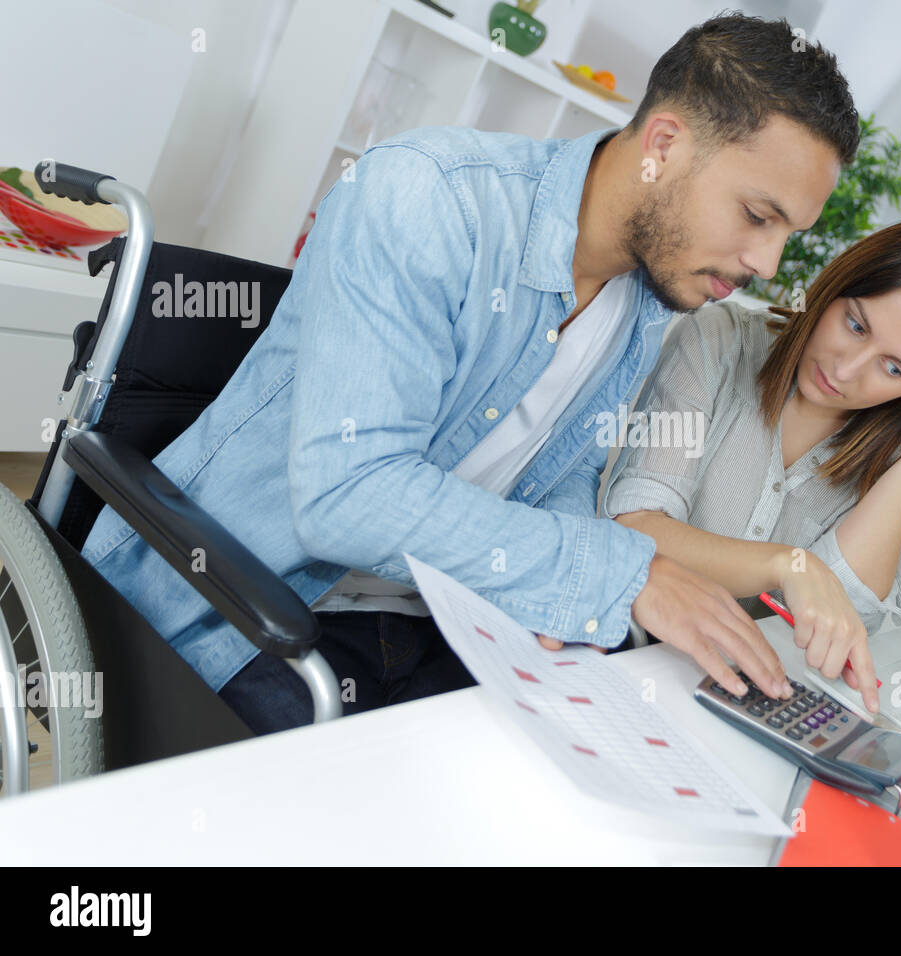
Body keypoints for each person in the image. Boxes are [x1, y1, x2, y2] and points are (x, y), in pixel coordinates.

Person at [78, 13, 861, 733]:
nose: (766, 262)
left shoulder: (645, 301)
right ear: (663, 146)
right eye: (758, 216)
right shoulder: (430, 195)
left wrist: (591, 603)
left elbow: (558, 481)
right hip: (254, 614)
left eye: (788, 233)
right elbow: (348, 497)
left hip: (444, 620)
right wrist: (623, 575)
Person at [602, 213, 901, 713]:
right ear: (838, 282)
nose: (845, 369)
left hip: (732, 701)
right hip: (613, 651)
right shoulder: (719, 343)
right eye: (855, 324)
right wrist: (788, 565)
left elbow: (839, 625)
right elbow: (638, 526)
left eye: (895, 369)